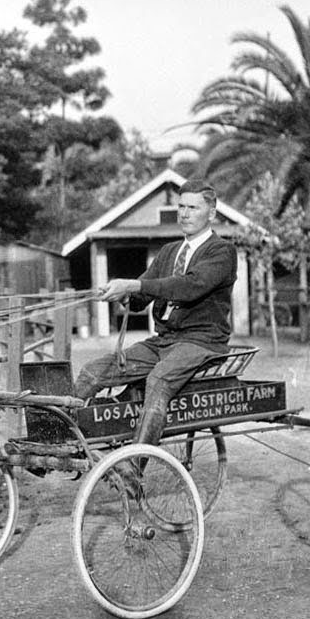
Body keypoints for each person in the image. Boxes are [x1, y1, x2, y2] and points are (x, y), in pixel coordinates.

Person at [74, 178, 238, 448]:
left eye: (193, 208)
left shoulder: (222, 252)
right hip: (163, 342)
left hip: (202, 342)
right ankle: (58, 438)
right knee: (94, 371)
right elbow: (141, 297)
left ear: (212, 212)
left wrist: (133, 284)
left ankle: (134, 465)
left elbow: (188, 287)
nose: (184, 214)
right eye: (181, 207)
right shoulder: (169, 251)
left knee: (159, 379)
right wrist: (122, 295)